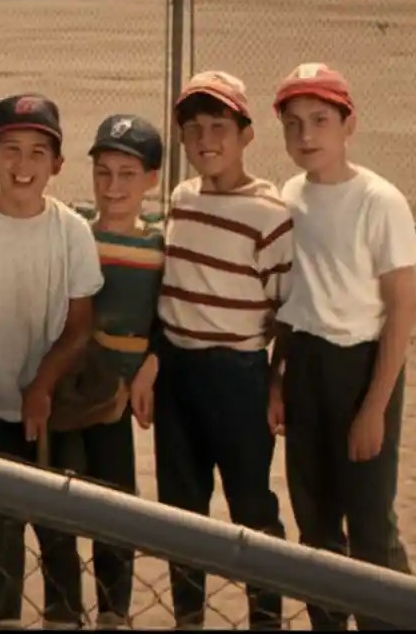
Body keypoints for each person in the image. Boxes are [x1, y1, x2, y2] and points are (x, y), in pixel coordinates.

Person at [268, 63, 416, 631]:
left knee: (371, 524)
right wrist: (278, 377)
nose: (306, 136)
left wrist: (375, 407)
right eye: (293, 123)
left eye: (321, 121)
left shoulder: (380, 201)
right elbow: (292, 296)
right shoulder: (289, 196)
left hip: (361, 367)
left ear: (348, 124)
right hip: (305, 364)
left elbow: (402, 305)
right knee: (315, 520)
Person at [0, 94, 105, 629]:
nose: (23, 165)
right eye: (10, 150)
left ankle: (64, 618)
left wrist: (44, 383)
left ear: (57, 164)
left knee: (59, 529)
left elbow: (80, 324)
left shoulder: (72, 231)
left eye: (38, 152)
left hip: (54, 409)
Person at [151, 71, 291, 630]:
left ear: (246, 134)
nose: (205, 140)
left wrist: (276, 381)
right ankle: (188, 616)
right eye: (193, 129)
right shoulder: (182, 199)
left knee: (251, 506)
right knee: (181, 510)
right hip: (177, 375)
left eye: (218, 127)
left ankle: (266, 617)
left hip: (237, 376)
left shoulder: (270, 214)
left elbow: (288, 310)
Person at [56, 114, 165, 628]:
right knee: (59, 497)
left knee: (114, 502)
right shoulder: (74, 231)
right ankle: (62, 606)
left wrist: (148, 370)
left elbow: (169, 315)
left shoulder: (160, 245)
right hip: (70, 391)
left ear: (151, 179)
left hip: (119, 399)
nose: (113, 186)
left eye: (127, 173)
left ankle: (113, 611)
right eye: (103, 172)